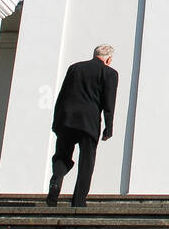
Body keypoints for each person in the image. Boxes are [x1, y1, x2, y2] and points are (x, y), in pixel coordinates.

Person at [47, 45, 118, 208]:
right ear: (109, 59)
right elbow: (109, 103)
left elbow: (62, 95)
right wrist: (109, 126)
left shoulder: (75, 68)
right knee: (87, 162)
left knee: (62, 155)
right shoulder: (110, 73)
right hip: (89, 123)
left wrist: (56, 121)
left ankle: (56, 181)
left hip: (66, 120)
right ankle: (78, 201)